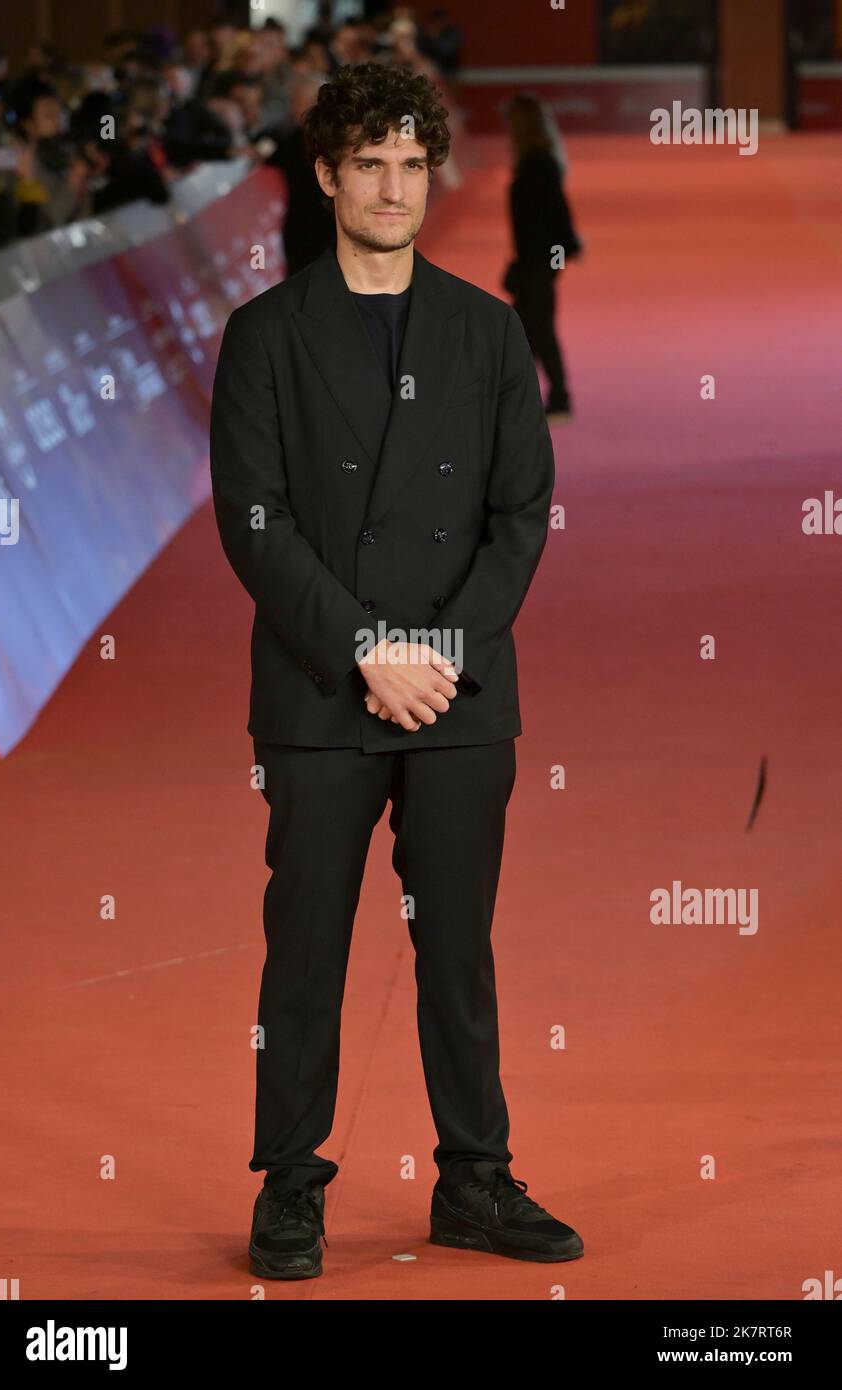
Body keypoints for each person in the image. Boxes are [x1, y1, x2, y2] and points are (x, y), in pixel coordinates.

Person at [209, 60, 584, 1281]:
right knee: (304, 947)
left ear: (433, 171)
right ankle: (290, 1182)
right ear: (323, 175)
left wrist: (438, 656)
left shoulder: (485, 330)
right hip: (320, 692)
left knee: (458, 943)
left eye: (411, 164)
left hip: (460, 695)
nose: (390, 187)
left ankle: (473, 1175)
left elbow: (519, 513)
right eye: (366, 163)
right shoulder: (263, 335)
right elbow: (253, 518)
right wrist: (367, 649)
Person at [504, 93, 582, 421]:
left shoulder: (539, 163)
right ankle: (521, 398)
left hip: (540, 262)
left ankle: (559, 396)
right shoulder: (533, 160)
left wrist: (549, 267)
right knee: (523, 330)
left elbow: (557, 216)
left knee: (537, 329)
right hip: (533, 262)